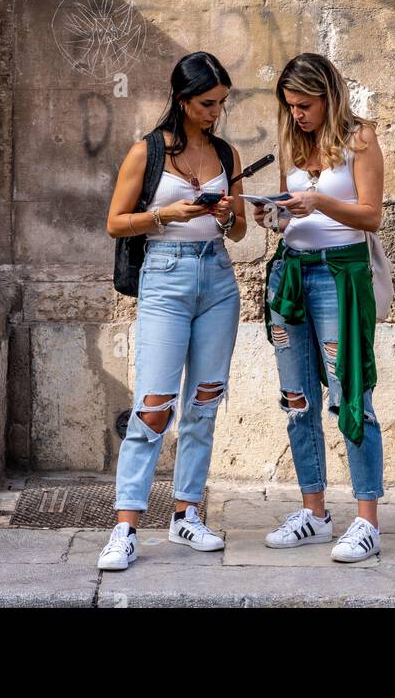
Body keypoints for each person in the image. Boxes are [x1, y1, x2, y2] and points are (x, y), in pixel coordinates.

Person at [97, 51, 245, 569]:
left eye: (222, 103)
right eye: (208, 103)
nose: (216, 112)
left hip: (219, 280)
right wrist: (164, 214)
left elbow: (241, 230)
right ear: (182, 101)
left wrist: (228, 214)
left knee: (205, 403)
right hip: (165, 275)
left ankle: (186, 515)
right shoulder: (147, 152)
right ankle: (125, 527)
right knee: (153, 406)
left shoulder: (227, 154)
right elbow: (116, 222)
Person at [256, 52, 385, 562]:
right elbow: (298, 216)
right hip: (293, 270)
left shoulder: (361, 139)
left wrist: (319, 203)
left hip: (340, 275)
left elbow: (371, 215)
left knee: (350, 391)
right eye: (290, 107)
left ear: (328, 97)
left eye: (305, 105)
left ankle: (366, 519)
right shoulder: (296, 143)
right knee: (297, 397)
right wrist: (278, 218)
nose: (297, 115)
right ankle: (314, 511)